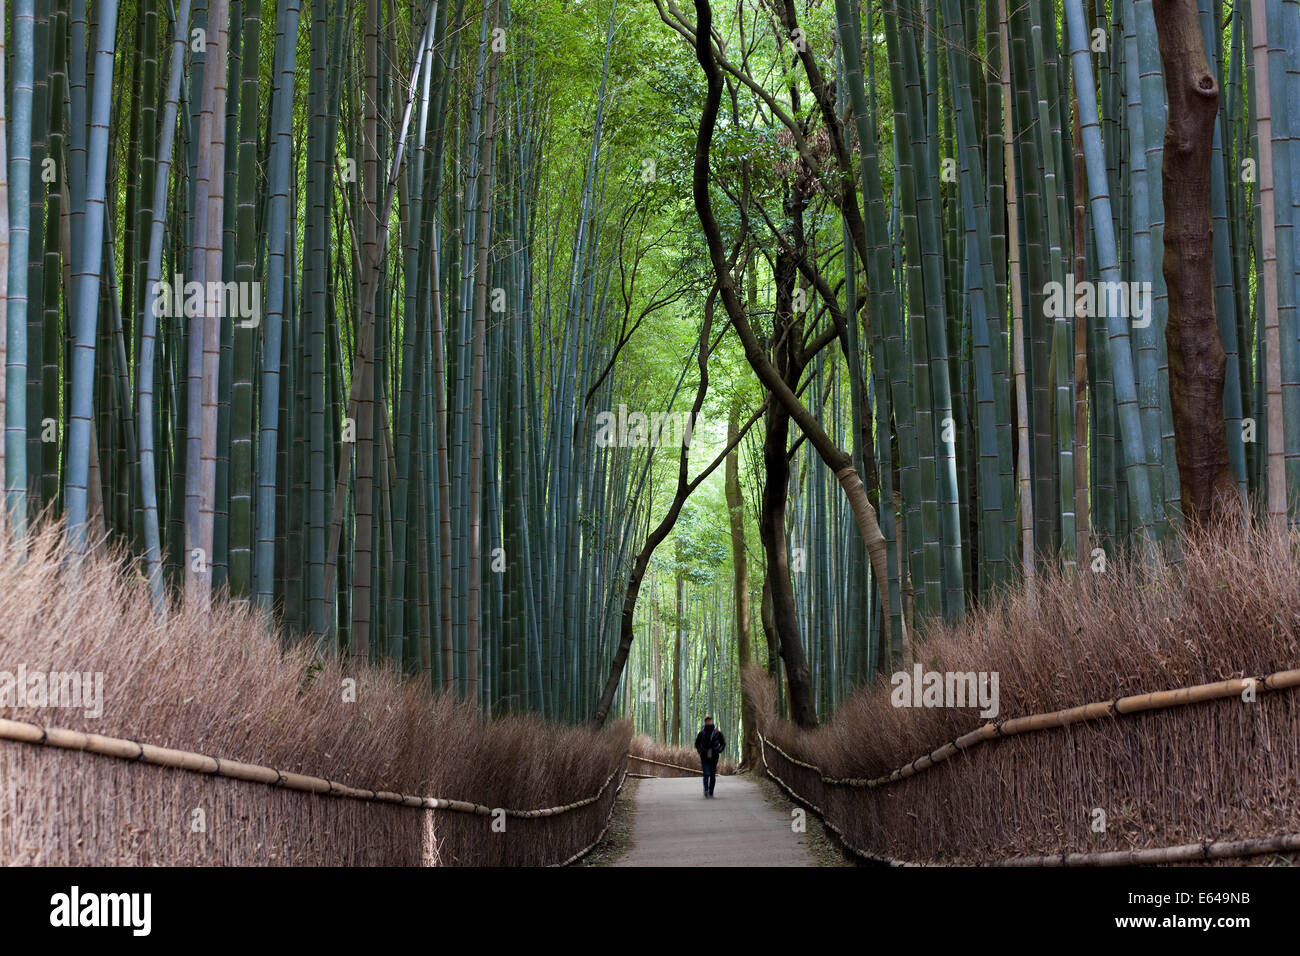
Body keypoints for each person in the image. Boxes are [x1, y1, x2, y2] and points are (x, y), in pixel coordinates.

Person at [694, 716, 725, 798]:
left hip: (714, 756)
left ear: (712, 721)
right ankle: (706, 790)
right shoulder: (702, 733)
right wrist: (700, 751)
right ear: (705, 722)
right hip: (704, 755)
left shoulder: (717, 732)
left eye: (710, 721)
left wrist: (719, 750)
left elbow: (723, 743)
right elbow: (697, 743)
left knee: (712, 775)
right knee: (706, 773)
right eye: (707, 721)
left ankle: (711, 791)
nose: (709, 722)